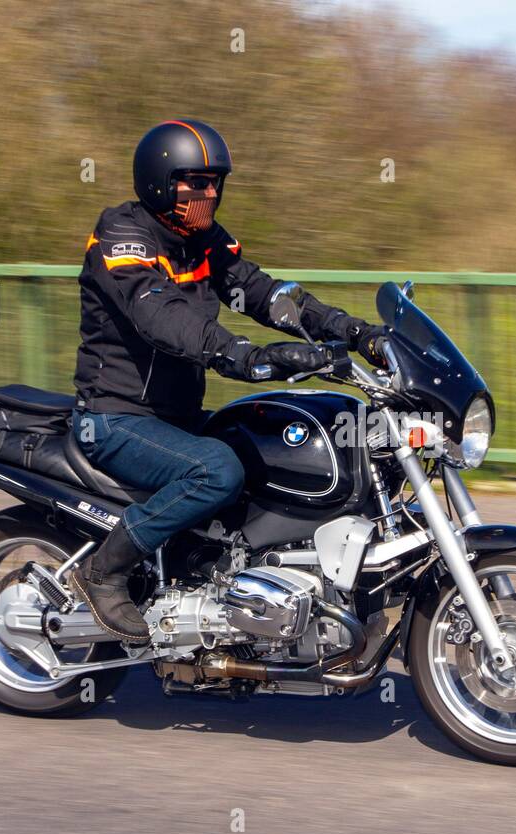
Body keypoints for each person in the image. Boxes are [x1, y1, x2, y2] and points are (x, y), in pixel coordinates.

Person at [70, 119, 389, 644]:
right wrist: (241, 355)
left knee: (270, 452)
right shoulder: (122, 237)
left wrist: (358, 333)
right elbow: (162, 316)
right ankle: (103, 572)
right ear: (160, 180)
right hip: (114, 417)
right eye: (197, 181)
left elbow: (268, 295)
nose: (211, 192)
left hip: (175, 417)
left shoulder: (204, 242)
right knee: (217, 471)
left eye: (216, 180)